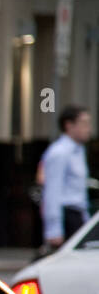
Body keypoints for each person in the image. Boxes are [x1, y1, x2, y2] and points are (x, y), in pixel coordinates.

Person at [40, 105, 92, 250]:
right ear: (69, 125)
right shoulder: (59, 152)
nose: (88, 128)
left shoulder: (78, 151)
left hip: (77, 215)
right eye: (84, 124)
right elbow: (52, 191)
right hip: (66, 217)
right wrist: (54, 229)